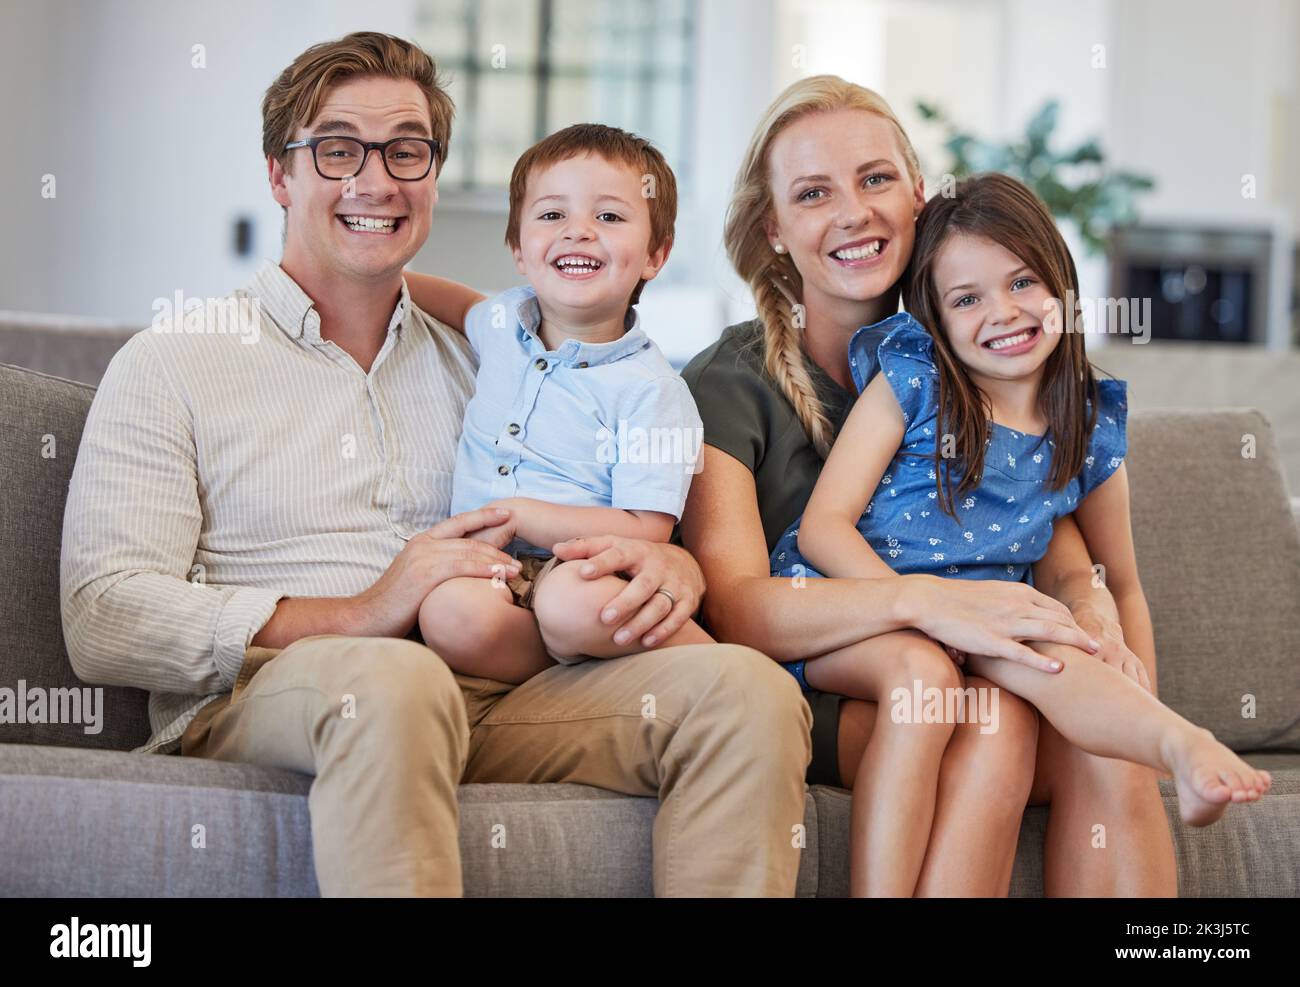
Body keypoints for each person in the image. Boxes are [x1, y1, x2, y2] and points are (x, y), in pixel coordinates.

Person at [60, 32, 811, 897]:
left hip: (494, 689)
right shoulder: (176, 359)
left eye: (405, 152)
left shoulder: (489, 360)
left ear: (432, 176)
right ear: (280, 175)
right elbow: (102, 616)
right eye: (337, 149)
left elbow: (604, 484)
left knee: (744, 692)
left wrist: (665, 554)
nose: (374, 180)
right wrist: (368, 610)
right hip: (278, 695)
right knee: (393, 674)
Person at [680, 74, 1182, 896]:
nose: (853, 212)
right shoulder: (729, 384)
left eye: (876, 179)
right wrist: (923, 602)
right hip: (844, 690)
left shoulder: (986, 368)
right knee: (992, 720)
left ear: (920, 193)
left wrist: (1102, 634)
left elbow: (1061, 549)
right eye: (813, 193)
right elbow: (738, 608)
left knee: (1107, 742)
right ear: (773, 227)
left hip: (994, 675)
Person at [769, 171, 1271, 894]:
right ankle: (1178, 742)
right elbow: (823, 528)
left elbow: (1117, 580)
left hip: (986, 621)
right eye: (967, 298)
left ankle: (1172, 743)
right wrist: (917, 604)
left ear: (1062, 285)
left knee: (1051, 648)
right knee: (1019, 637)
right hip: (858, 608)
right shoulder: (914, 380)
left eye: (1022, 282)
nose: (1001, 313)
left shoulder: (1086, 418)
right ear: (936, 320)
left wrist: (1134, 693)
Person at [406, 124, 711, 685]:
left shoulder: (651, 388)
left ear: (655, 255)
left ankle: (715, 668)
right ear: (519, 250)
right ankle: (565, 674)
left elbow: (647, 529)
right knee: (448, 614)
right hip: (491, 575)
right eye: (552, 216)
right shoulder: (501, 321)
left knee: (572, 602)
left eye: (610, 217)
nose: (578, 232)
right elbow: (445, 299)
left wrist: (524, 515)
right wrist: (372, 275)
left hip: (583, 568)